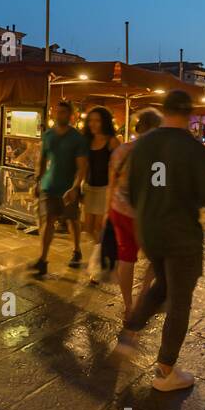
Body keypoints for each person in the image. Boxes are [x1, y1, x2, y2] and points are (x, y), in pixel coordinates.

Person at [115, 90, 205, 391]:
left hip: (151, 229)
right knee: (180, 298)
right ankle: (166, 371)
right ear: (189, 113)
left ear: (164, 111)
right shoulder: (192, 148)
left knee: (163, 283)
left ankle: (131, 331)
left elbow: (133, 187)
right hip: (180, 233)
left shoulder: (144, 145)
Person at [107, 107, 161, 317]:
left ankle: (128, 305)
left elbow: (111, 183)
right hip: (146, 214)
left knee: (126, 258)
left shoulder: (121, 150)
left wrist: (107, 210)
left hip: (119, 210)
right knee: (157, 258)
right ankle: (143, 295)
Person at [30, 99, 89, 277]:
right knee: (48, 221)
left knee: (72, 220)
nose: (59, 115)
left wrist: (75, 187)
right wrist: (37, 181)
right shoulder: (48, 135)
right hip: (50, 185)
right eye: (58, 112)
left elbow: (82, 167)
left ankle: (77, 250)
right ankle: (42, 260)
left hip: (68, 188)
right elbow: (42, 160)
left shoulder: (77, 138)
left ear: (70, 116)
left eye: (63, 112)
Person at [81, 106, 121, 284]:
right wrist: (79, 185)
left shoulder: (112, 142)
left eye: (97, 120)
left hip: (106, 189)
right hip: (90, 188)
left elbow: (118, 169)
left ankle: (99, 265)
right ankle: (105, 254)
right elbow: (84, 166)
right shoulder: (86, 141)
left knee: (99, 227)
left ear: (104, 121)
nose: (93, 124)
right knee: (88, 228)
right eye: (91, 120)